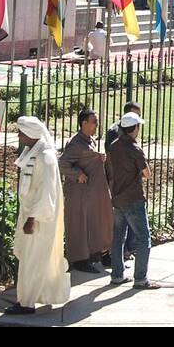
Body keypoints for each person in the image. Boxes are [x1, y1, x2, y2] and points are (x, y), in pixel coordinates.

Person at [3, 116, 71, 314]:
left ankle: (26, 303)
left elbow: (46, 192)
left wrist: (32, 219)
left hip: (40, 220)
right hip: (31, 215)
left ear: (31, 134)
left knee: (33, 260)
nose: (19, 135)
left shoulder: (45, 157)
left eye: (21, 132)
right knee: (33, 259)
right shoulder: (35, 153)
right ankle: (30, 298)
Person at [107, 110, 159, 289]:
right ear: (135, 128)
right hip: (134, 198)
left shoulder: (113, 146)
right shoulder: (135, 149)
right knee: (144, 239)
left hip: (117, 198)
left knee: (118, 238)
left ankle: (117, 275)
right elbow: (147, 174)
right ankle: (140, 278)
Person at [58, 109, 113, 273]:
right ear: (84, 123)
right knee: (79, 225)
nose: (97, 124)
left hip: (91, 194)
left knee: (95, 223)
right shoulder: (75, 144)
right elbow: (62, 163)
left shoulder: (90, 140)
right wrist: (78, 174)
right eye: (94, 121)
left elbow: (89, 157)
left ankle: (98, 254)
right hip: (78, 194)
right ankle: (80, 260)